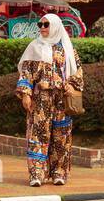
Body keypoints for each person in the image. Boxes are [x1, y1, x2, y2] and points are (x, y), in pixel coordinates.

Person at [16, 13, 84, 188]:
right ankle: (37, 174)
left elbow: (78, 72)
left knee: (61, 136)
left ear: (55, 26)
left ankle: (58, 172)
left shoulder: (67, 49)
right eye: (40, 24)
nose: (42, 28)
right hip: (40, 99)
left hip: (61, 99)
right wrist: (26, 93)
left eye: (46, 24)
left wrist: (71, 85)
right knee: (37, 134)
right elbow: (26, 72)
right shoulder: (34, 47)